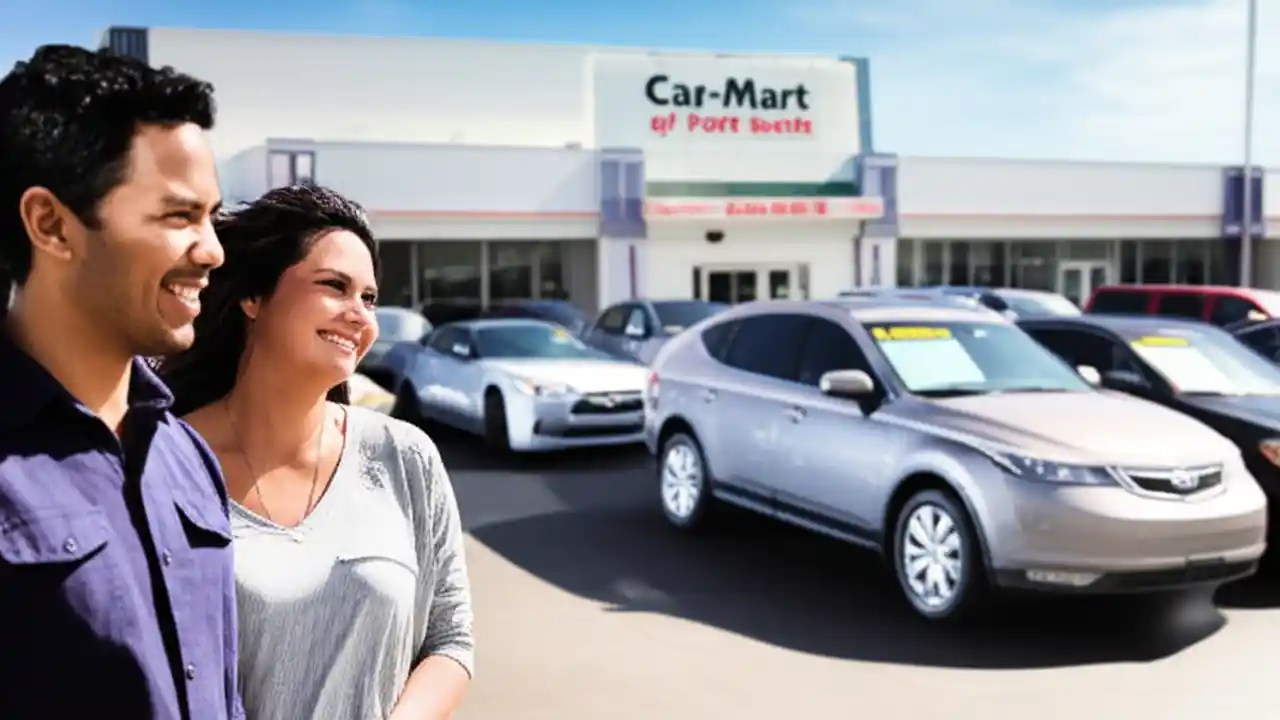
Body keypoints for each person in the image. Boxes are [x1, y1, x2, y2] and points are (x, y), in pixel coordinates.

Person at [160, 184, 474, 720]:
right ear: (253, 297)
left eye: (369, 298)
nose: (359, 315)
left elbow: (451, 639)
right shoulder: (164, 465)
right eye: (335, 286)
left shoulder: (405, 456)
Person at [0, 46, 243, 719]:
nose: (214, 250)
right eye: (178, 217)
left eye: (212, 216)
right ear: (50, 224)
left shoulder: (187, 457)